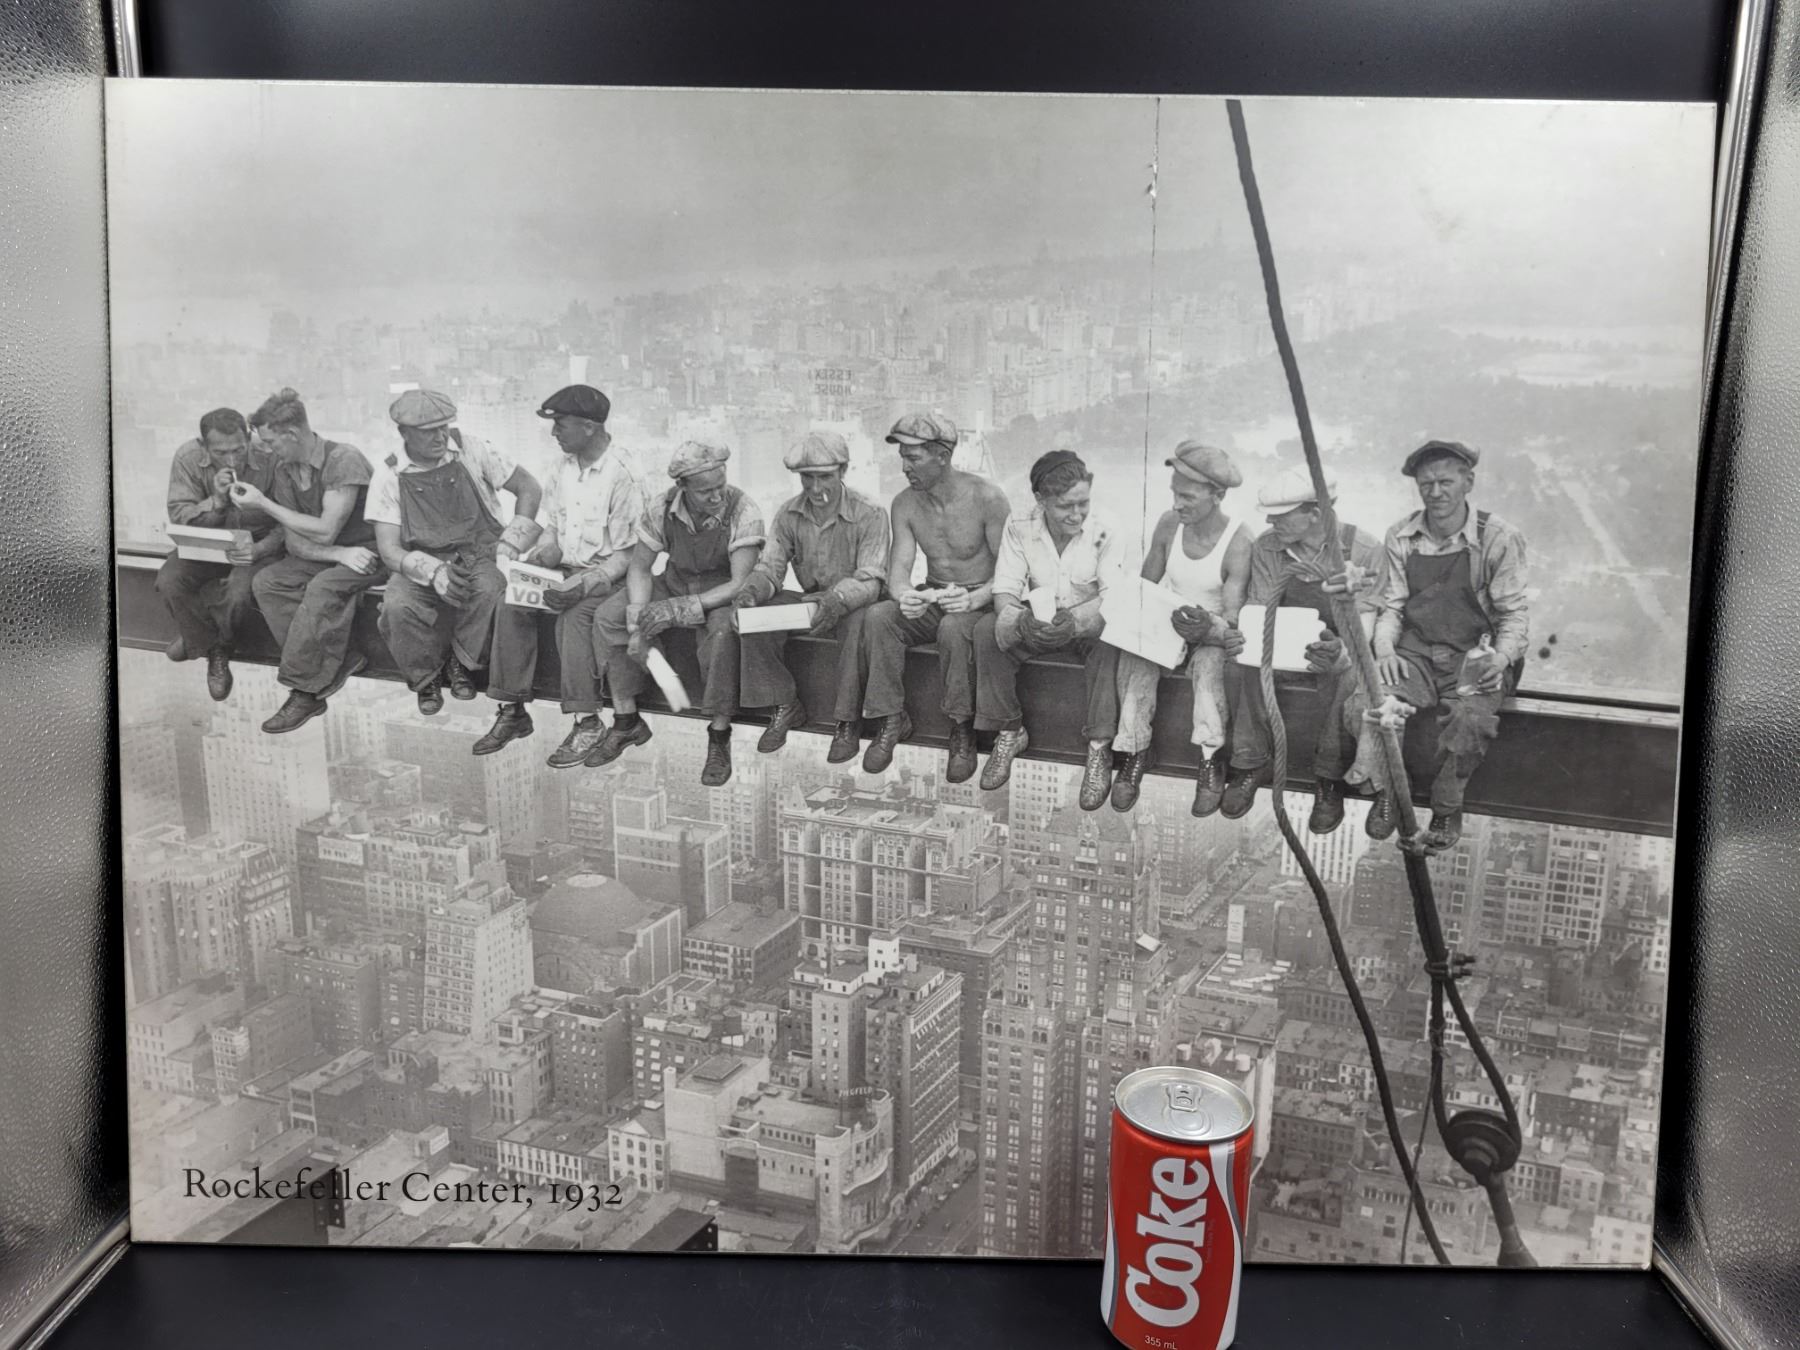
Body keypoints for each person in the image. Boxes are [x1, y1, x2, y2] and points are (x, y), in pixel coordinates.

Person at [1358, 439, 1529, 852]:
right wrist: (1385, 651)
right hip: (1415, 651)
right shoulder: (1401, 535)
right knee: (1377, 702)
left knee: (1470, 720)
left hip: (1475, 655)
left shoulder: (1498, 537)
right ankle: (1387, 793)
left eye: (1445, 482)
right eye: (1426, 484)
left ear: (1468, 482)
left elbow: (1514, 615)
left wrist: (1501, 659)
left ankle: (1447, 805)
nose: (1435, 493)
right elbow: (1393, 606)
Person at [1220, 468, 1388, 834]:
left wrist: (1341, 650)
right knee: (1240, 664)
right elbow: (1261, 607)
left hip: (1337, 646)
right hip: (1283, 641)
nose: (1270, 521)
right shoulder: (1268, 546)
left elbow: (1366, 623)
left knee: (1343, 676)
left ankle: (1328, 779)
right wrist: (1243, 637)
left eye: (1281, 515)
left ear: (1315, 512)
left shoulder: (1365, 550)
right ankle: (1250, 762)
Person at [586, 440, 764, 786]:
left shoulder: (745, 511)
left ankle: (718, 734)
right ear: (682, 487)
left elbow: (740, 583)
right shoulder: (662, 507)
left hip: (720, 591)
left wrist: (679, 610)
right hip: (675, 580)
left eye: (720, 487)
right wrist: (638, 623)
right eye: (705, 492)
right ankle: (626, 720)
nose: (716, 497)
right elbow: (639, 568)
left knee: (725, 633)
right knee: (609, 615)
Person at [365, 389, 543, 735]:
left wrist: (511, 542)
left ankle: (462, 664)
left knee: (492, 590)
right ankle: (426, 678)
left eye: (443, 427)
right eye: (428, 430)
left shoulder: (473, 449)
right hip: (420, 559)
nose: (440, 436)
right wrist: (432, 572)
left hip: (479, 552)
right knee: (397, 606)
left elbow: (529, 488)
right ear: (404, 434)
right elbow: (389, 550)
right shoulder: (388, 474)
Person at [488, 384, 645, 768]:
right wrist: (535, 561)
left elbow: (627, 554)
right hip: (566, 569)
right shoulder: (561, 467)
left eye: (561, 425)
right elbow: (555, 531)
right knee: (511, 605)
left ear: (590, 427)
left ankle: (586, 720)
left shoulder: (623, 475)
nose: (554, 433)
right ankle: (512, 708)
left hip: (607, 578)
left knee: (574, 619)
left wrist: (585, 583)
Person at [852, 412, 1010, 780]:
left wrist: (975, 599)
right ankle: (891, 718)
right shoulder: (905, 503)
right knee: (879, 618)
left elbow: (1011, 572)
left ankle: (961, 728)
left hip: (980, 601)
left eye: (914, 457)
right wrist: (906, 595)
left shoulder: (988, 498)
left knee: (954, 629)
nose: (905, 466)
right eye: (903, 456)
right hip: (936, 593)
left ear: (943, 456)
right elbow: (899, 572)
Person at [226, 388, 384, 733]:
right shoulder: (285, 469)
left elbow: (325, 530)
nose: (267, 450)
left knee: (323, 588)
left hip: (370, 552)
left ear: (292, 434)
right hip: (339, 554)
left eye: (270, 442)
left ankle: (305, 691)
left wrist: (264, 504)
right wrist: (336, 554)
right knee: (268, 582)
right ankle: (339, 659)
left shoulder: (344, 460)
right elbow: (295, 537)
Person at [1109, 442, 1254, 815]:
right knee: (1137, 659)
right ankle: (1135, 750)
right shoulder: (1169, 524)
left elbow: (1235, 617)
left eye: (1187, 496)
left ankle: (1209, 758)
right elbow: (1148, 585)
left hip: (1211, 633)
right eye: (1174, 493)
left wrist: (1208, 627)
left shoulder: (1238, 541)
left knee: (1208, 669)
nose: (1177, 504)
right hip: (1170, 620)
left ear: (1217, 495)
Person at [973, 448, 1124, 796]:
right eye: (1065, 506)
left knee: (1112, 642)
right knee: (986, 632)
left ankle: (1099, 747)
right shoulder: (1020, 525)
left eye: (1082, 503)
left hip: (1088, 622)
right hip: (1040, 619)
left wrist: (1074, 621)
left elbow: (1112, 595)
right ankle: (1009, 731)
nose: (1076, 515)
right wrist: (1020, 620)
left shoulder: (1106, 528)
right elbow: (1006, 588)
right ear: (1041, 500)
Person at [733, 431, 890, 762]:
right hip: (812, 603)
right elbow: (771, 568)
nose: (816, 489)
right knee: (756, 618)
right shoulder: (789, 514)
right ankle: (784, 703)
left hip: (854, 602)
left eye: (825, 478)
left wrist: (835, 600)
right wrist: (750, 593)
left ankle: (847, 721)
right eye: (808, 478)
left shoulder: (870, 513)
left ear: (843, 472)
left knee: (859, 623)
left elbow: (871, 579)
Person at [154, 406, 283, 701]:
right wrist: (217, 501)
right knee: (170, 580)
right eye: (220, 453)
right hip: (205, 543)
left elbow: (287, 520)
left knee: (239, 593)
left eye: (238, 450)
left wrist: (259, 549)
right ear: (203, 446)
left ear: (248, 439)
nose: (231, 459)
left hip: (257, 547)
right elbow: (180, 515)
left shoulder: (270, 456)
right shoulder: (187, 457)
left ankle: (201, 642)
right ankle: (211, 646)